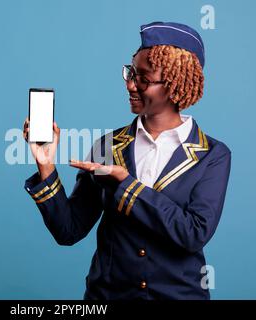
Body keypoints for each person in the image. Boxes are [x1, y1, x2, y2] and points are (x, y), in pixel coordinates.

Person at [22, 21, 231, 300]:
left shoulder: (212, 155)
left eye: (144, 78)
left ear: (174, 83)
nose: (131, 84)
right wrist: (46, 165)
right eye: (131, 73)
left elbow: (193, 233)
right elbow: (68, 231)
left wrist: (125, 184)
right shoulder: (108, 146)